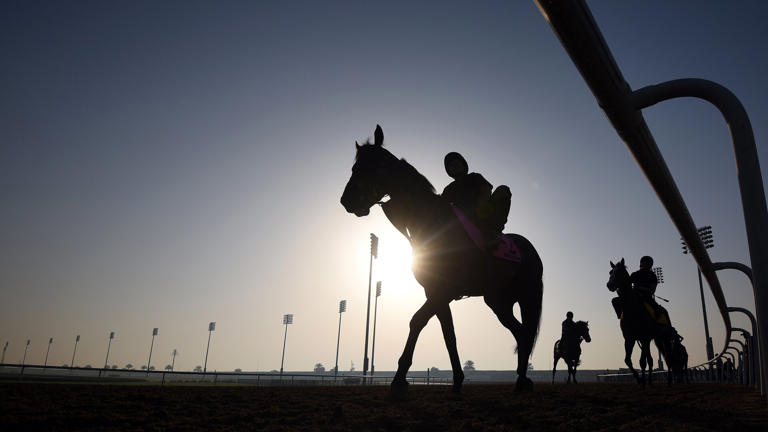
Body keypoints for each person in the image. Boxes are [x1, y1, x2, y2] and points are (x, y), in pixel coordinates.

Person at [441, 152, 511, 244]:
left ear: (463, 164)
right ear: (449, 171)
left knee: (503, 190)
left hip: (483, 212)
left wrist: (481, 207)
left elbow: (486, 189)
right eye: (451, 165)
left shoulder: (475, 176)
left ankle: (494, 231)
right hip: (461, 220)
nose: (455, 166)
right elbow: (440, 205)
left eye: (457, 163)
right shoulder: (448, 189)